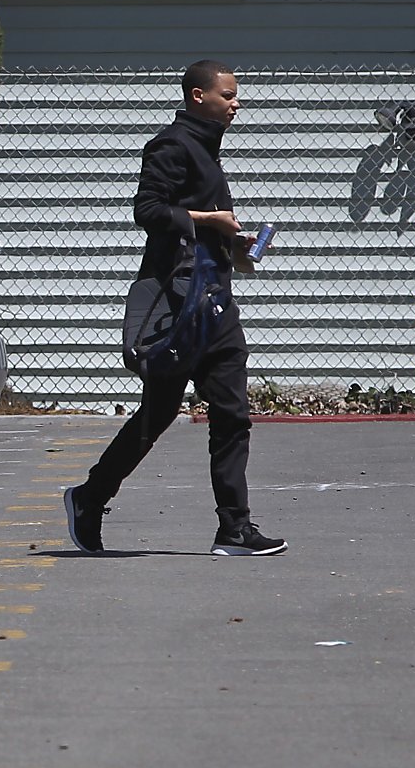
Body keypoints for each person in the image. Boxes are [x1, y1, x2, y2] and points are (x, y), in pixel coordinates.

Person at [64, 59, 286, 557]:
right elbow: (147, 210)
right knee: (158, 413)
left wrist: (233, 246)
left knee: (232, 413)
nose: (236, 104)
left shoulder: (207, 149)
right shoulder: (172, 145)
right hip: (180, 307)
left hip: (215, 304)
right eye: (227, 95)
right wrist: (210, 219)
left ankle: (234, 528)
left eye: (236, 95)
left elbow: (201, 228)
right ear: (198, 96)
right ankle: (90, 497)